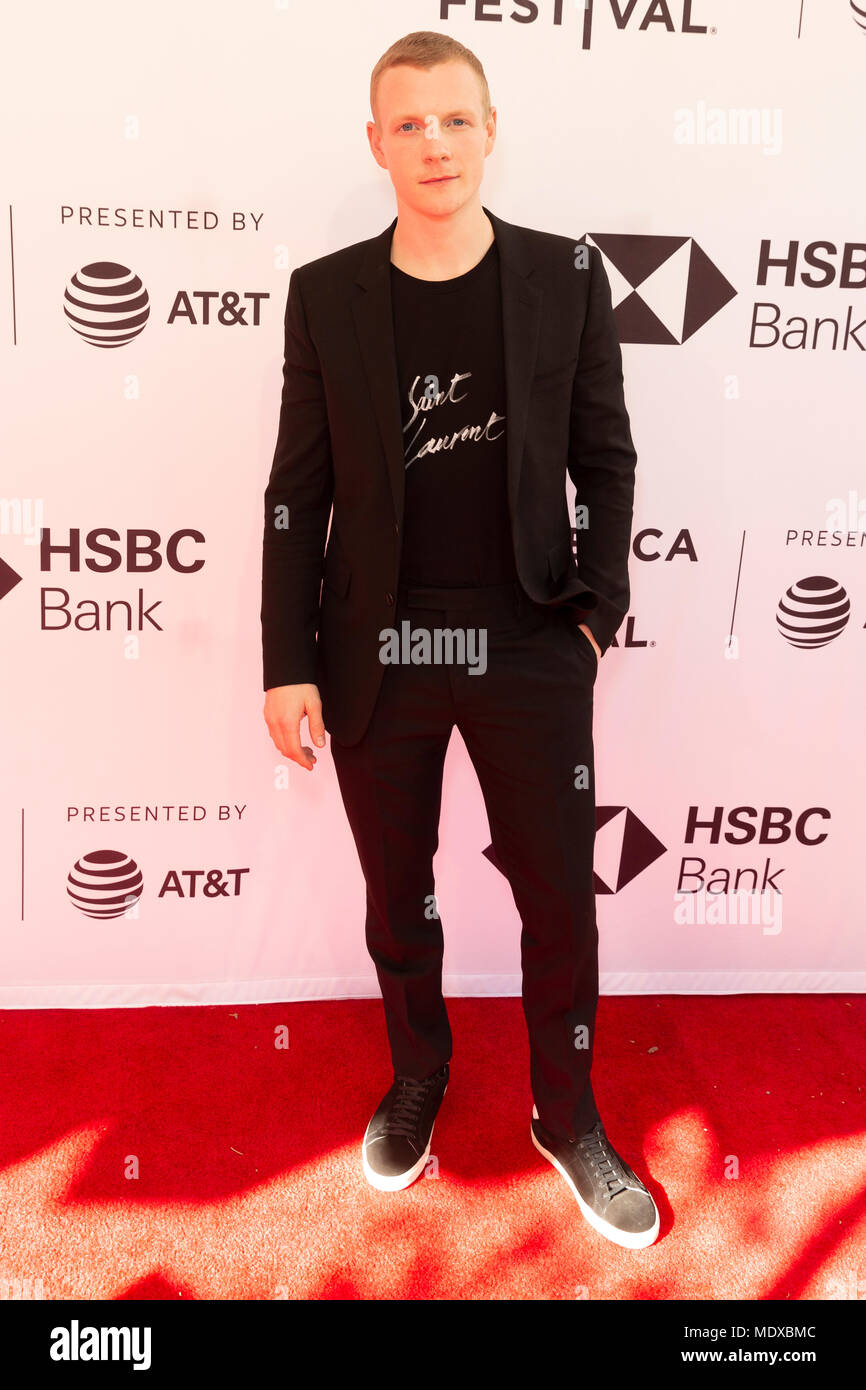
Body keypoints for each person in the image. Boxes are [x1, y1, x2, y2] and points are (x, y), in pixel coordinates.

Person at [261, 29, 659, 1249]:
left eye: (454, 120)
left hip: (530, 640)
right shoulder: (328, 293)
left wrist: (593, 617)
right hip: (377, 647)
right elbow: (297, 490)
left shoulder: (562, 277)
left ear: (491, 129)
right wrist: (286, 658)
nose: (434, 144)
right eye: (408, 124)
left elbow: (606, 458)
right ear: (373, 141)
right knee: (401, 890)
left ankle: (567, 1108)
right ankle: (417, 1077)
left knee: (559, 897)